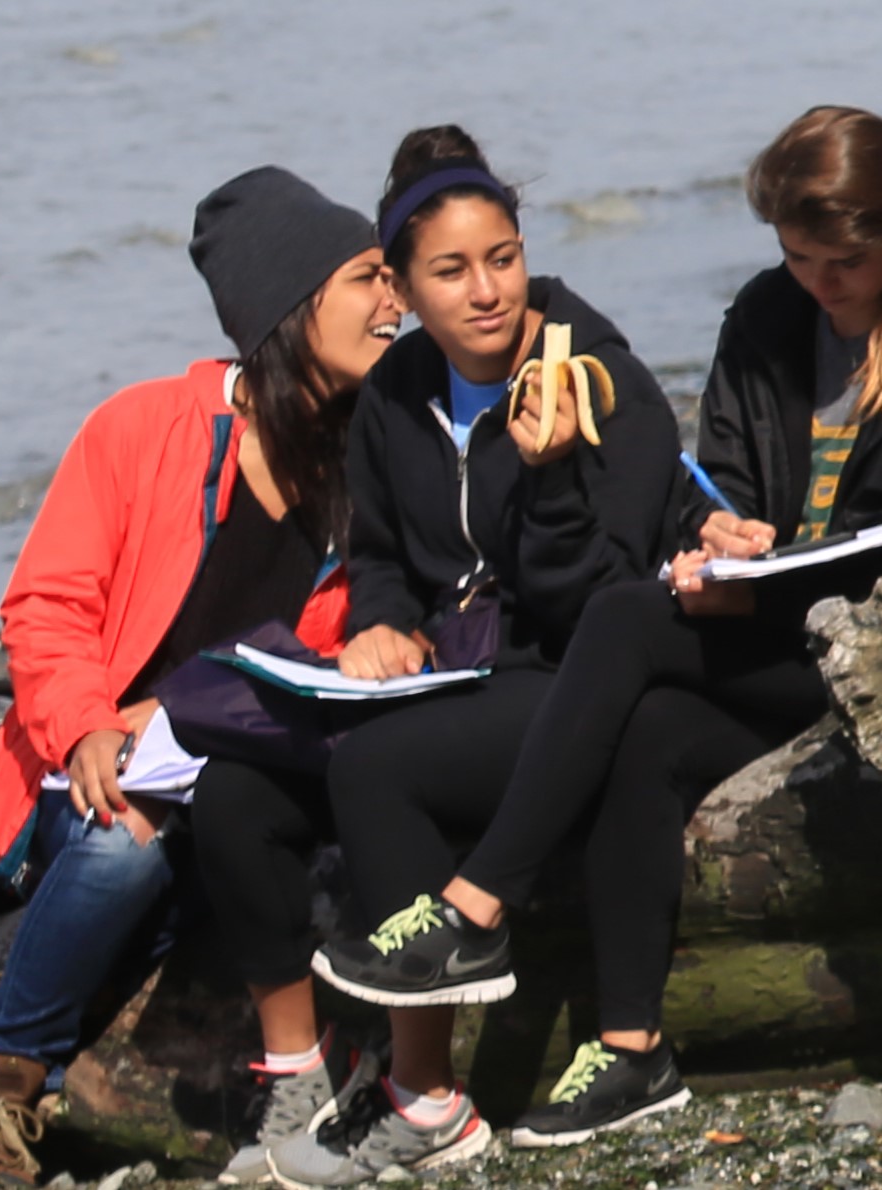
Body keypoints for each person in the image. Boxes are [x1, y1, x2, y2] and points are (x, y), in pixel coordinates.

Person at [308, 107, 882, 1145]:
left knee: (624, 618)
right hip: (791, 630)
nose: (820, 283)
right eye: (798, 258)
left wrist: (766, 590)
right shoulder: (768, 314)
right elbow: (727, 485)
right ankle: (632, 1050)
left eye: (845, 261)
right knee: (645, 731)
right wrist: (720, 541)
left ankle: (475, 908)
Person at [0, 172, 400, 1183]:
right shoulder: (144, 428)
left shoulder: (373, 459)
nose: (398, 300)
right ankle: (7, 1087)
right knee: (130, 835)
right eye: (368, 278)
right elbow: (44, 608)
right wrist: (87, 725)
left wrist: (193, 703)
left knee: (211, 831)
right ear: (289, 305)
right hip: (82, 765)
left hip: (243, 764)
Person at [281, 130, 681, 1184]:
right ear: (403, 288)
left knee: (375, 766)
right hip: (462, 671)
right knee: (277, 765)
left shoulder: (599, 376)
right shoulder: (395, 389)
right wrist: (378, 620)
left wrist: (549, 476)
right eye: (452, 271)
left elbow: (607, 597)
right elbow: (379, 552)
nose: (487, 291)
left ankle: (424, 1090)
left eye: (502, 258)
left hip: (573, 676)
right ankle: (349, 1075)